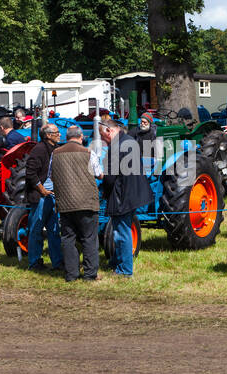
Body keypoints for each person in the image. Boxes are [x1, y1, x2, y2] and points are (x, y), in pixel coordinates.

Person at [100, 119, 152, 278]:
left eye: (103, 137)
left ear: (110, 131)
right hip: (133, 192)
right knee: (122, 228)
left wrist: (103, 186)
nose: (103, 140)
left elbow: (110, 177)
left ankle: (125, 270)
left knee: (121, 232)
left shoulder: (116, 146)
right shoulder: (130, 140)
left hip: (122, 194)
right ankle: (117, 261)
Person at [50, 124, 100, 282]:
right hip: (86, 202)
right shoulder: (88, 152)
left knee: (68, 238)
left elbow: (51, 175)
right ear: (81, 137)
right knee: (89, 238)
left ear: (66, 137)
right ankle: (90, 274)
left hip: (65, 203)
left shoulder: (55, 153)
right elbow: (98, 173)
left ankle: (71, 274)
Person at [23, 123, 62, 271]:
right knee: (36, 229)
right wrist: (42, 190)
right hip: (40, 197)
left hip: (53, 196)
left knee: (54, 230)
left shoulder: (56, 149)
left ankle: (57, 262)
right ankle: (34, 262)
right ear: (48, 135)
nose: (59, 134)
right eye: (56, 132)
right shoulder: (38, 150)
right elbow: (30, 173)